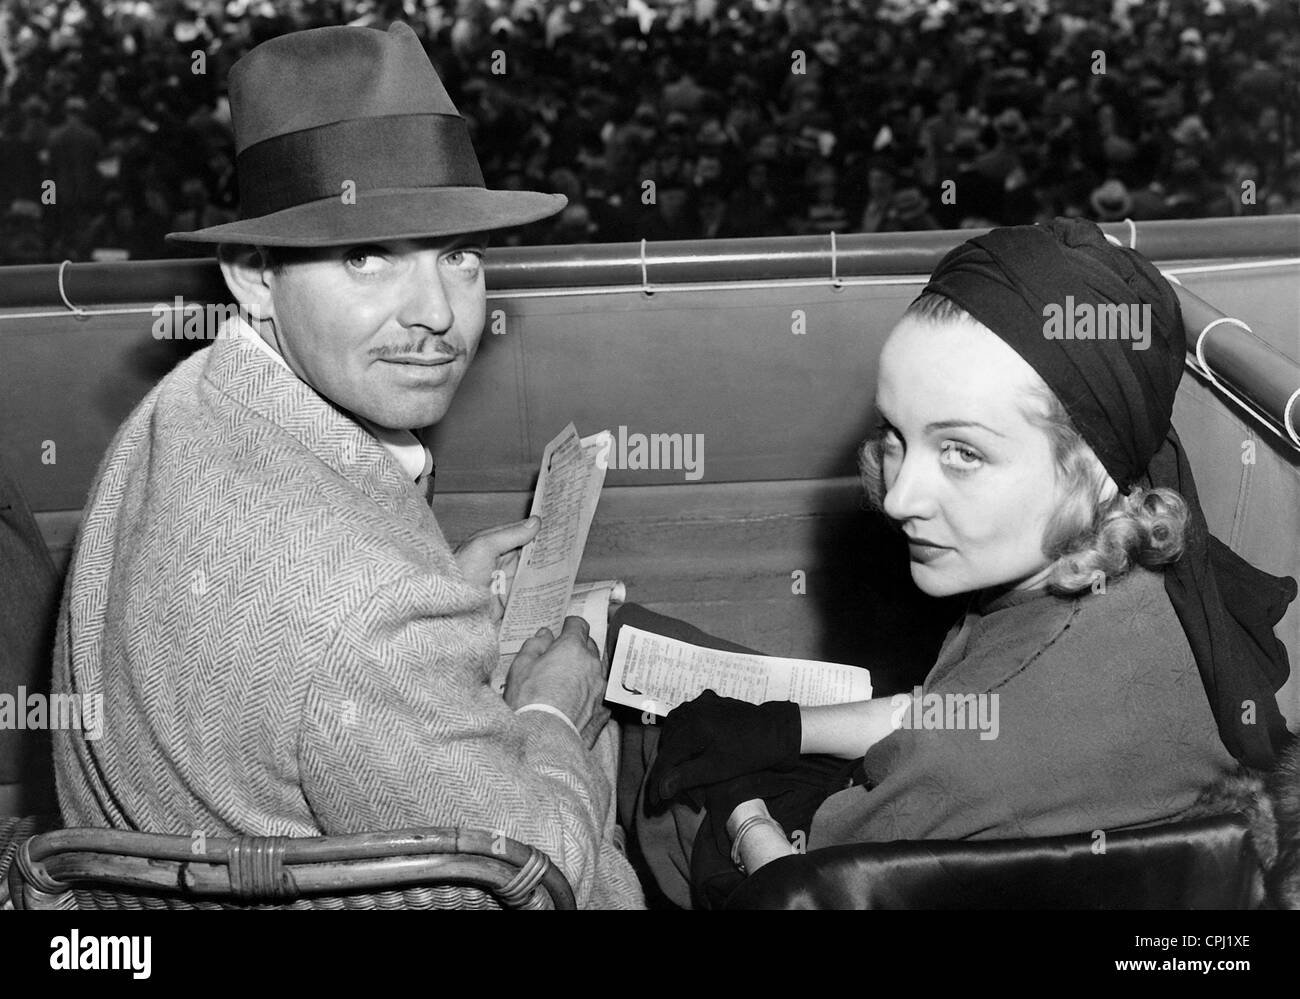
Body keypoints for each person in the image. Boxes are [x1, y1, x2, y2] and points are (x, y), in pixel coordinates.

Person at [51, 22, 642, 910]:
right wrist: (551, 711)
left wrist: (436, 586)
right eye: (366, 256)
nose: (439, 314)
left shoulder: (180, 404)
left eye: (459, 255)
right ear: (252, 275)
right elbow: (553, 883)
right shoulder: (363, 613)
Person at [627, 218, 1296, 908]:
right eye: (896, 434)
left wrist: (739, 804)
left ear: (1090, 471)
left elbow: (799, 887)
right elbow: (959, 709)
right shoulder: (1144, 572)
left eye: (963, 452)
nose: (900, 498)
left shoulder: (981, 763)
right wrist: (789, 725)